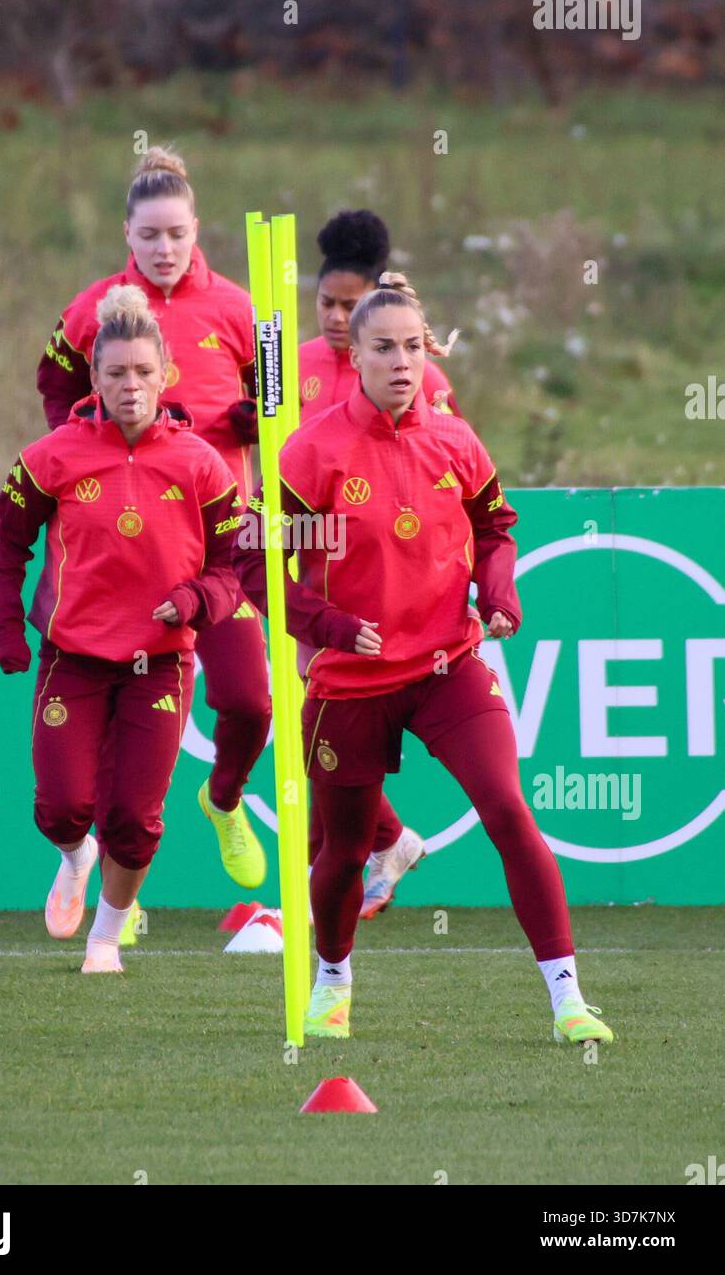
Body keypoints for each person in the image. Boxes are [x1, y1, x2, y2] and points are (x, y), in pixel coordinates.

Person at [235, 273, 614, 1046]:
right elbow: (256, 561)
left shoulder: (454, 439)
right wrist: (327, 623)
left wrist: (498, 594)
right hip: (351, 681)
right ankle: (333, 982)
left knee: (509, 811)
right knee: (342, 854)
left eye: (412, 347)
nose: (401, 362)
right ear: (357, 356)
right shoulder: (316, 453)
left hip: (448, 665)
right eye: (384, 348)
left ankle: (569, 1001)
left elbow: (495, 528)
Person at [36, 147, 270, 901]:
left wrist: (252, 425)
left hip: (217, 551)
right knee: (110, 720)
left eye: (177, 234)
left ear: (197, 230)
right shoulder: (94, 306)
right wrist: (82, 447)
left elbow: (280, 411)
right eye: (149, 237)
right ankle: (116, 891)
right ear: (126, 237)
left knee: (249, 700)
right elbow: (56, 382)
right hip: (126, 547)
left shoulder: (240, 309)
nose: (164, 250)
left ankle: (225, 799)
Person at [0, 286, 241, 973]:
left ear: (166, 375)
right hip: (73, 659)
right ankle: (76, 858)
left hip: (158, 664)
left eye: (143, 373)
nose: (130, 386)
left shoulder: (201, 465)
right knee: (61, 808)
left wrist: (194, 601)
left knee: (135, 817)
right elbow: (7, 540)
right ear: (94, 378)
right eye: (116, 373)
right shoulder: (51, 457)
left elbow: (232, 565)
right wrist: (6, 622)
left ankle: (107, 935)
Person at [300, 210, 460, 918]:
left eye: (348, 305)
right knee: (303, 729)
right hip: (298, 572)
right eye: (325, 304)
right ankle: (383, 846)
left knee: (319, 730)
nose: (336, 319)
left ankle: (321, 898)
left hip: (378, 586)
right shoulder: (293, 364)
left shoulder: (413, 372)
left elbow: (454, 463)